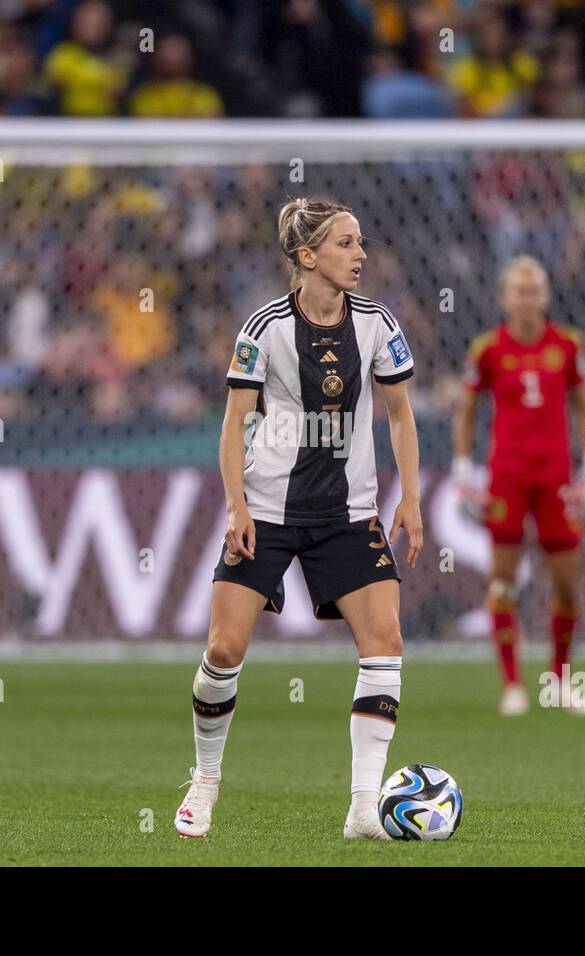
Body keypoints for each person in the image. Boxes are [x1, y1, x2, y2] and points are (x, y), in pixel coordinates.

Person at [174, 197, 423, 839]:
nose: (360, 254)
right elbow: (234, 424)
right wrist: (235, 506)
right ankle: (205, 781)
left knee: (386, 644)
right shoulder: (262, 329)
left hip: (349, 513)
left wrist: (413, 498)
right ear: (308, 257)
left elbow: (400, 415)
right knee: (224, 649)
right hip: (266, 509)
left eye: (361, 243)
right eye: (346, 244)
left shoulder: (376, 324)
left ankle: (365, 808)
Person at [452, 256, 585, 716]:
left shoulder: (568, 345)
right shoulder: (487, 351)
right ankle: (513, 684)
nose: (527, 299)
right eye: (519, 291)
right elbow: (466, 411)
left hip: (556, 478)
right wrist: (463, 470)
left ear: (546, 296)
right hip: (508, 478)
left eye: (535, 290)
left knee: (567, 584)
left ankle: (560, 678)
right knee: (503, 581)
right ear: (504, 298)